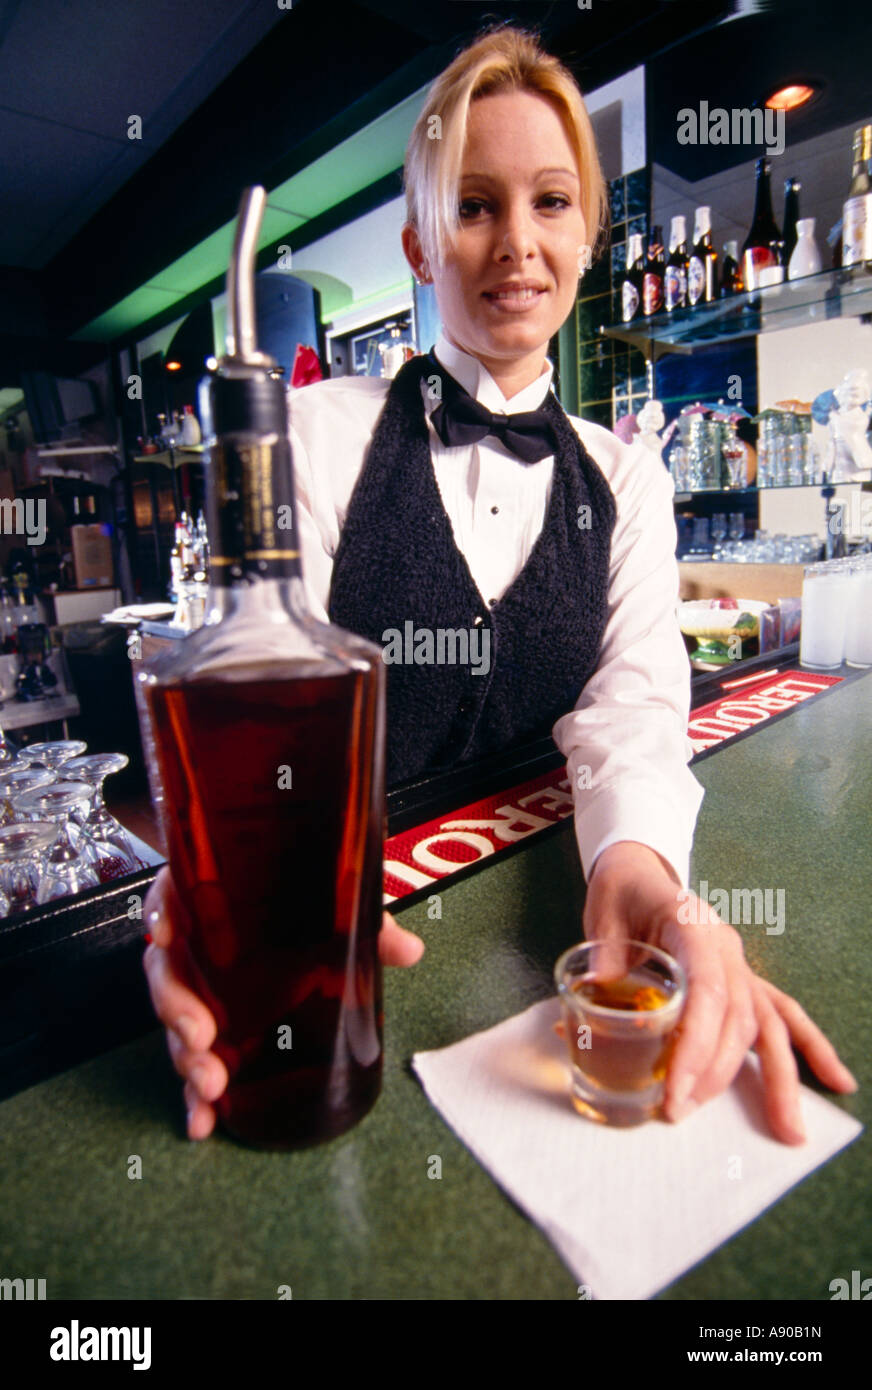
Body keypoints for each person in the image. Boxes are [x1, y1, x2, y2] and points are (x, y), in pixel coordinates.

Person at [143, 25, 856, 1143]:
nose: (515, 242)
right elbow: (254, 713)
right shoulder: (316, 437)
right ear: (420, 245)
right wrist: (207, 889)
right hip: (339, 949)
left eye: (550, 202)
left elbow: (631, 719)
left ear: (587, 233)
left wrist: (647, 888)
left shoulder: (626, 475)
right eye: (473, 205)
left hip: (537, 953)